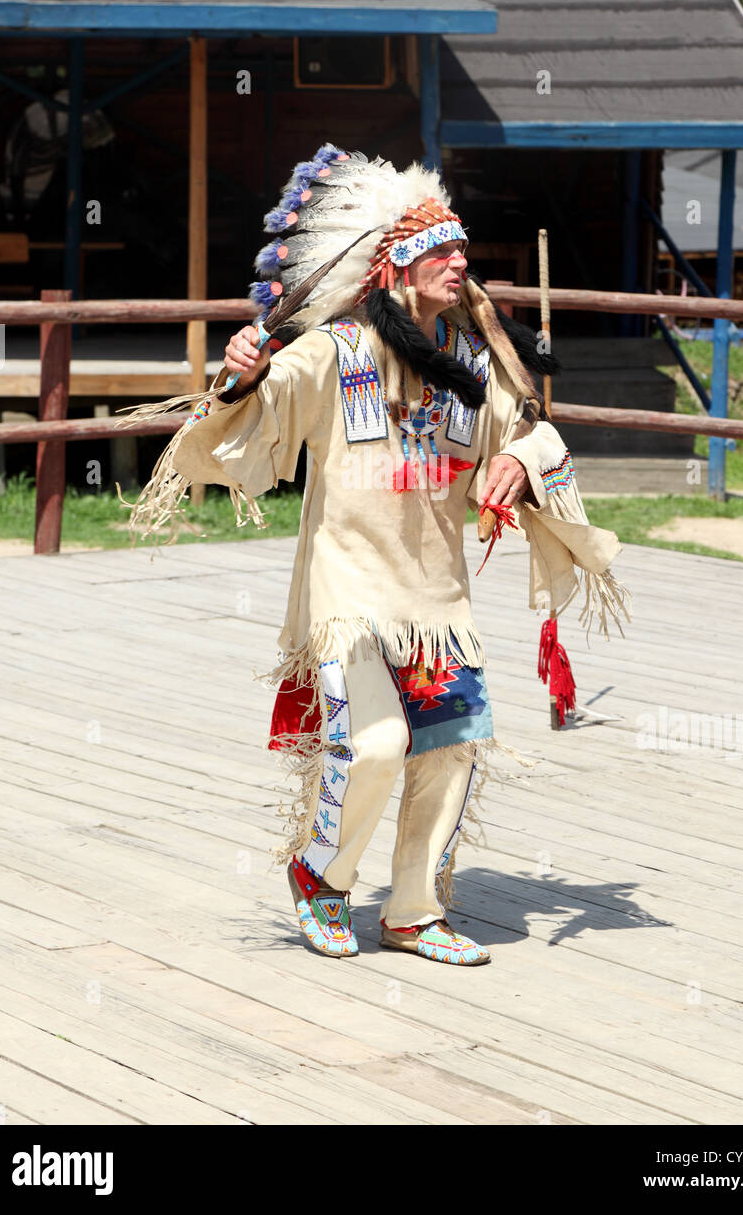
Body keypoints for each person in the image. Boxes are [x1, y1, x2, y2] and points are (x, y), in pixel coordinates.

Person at [123, 144, 630, 967]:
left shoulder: (475, 366)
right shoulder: (334, 355)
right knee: (379, 744)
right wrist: (238, 375)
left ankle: (415, 909)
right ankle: (320, 877)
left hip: (437, 604)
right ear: (394, 268)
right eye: (440, 249)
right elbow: (244, 432)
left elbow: (533, 432)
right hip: (349, 593)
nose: (460, 259)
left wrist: (519, 459)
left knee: (451, 750)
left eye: (463, 249)